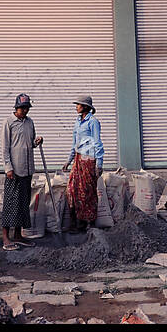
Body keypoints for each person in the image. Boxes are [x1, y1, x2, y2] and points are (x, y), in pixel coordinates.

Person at [1, 93, 43, 252]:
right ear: (16, 107)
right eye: (22, 108)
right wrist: (8, 167)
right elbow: (5, 148)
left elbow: (30, 143)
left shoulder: (30, 122)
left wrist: (37, 141)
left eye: (27, 108)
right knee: (11, 203)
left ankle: (18, 235)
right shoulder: (8, 122)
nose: (25, 111)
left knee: (23, 203)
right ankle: (6, 237)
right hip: (14, 170)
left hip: (27, 169)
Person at [61, 97, 104, 232]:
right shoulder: (78, 122)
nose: (76, 107)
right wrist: (69, 160)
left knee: (87, 191)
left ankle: (88, 222)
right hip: (78, 160)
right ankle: (76, 221)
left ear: (85, 107)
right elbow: (75, 143)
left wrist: (99, 164)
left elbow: (97, 143)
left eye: (78, 105)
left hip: (89, 160)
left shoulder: (93, 122)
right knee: (72, 190)